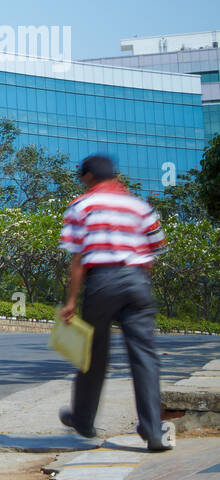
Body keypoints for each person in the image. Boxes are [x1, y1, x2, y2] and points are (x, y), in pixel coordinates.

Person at [58, 154, 172, 450]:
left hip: (102, 282)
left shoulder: (81, 206)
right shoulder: (139, 205)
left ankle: (83, 419)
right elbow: (154, 248)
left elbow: (78, 259)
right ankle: (153, 430)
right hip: (137, 281)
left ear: (88, 177)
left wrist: (71, 301)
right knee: (145, 356)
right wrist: (139, 282)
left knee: (93, 353)